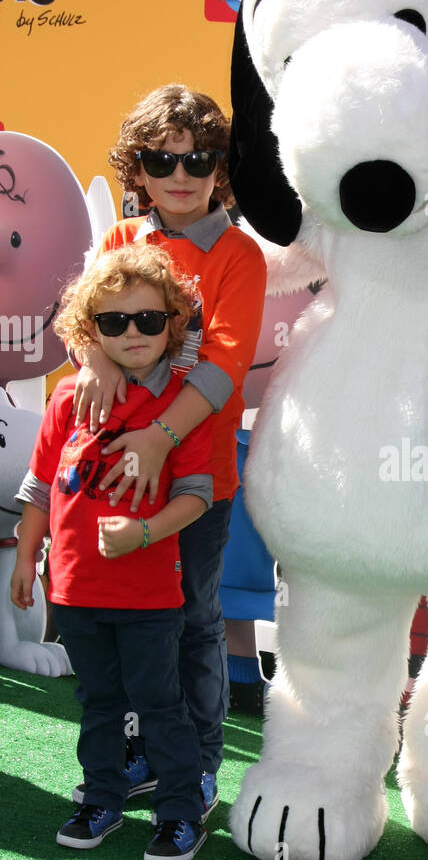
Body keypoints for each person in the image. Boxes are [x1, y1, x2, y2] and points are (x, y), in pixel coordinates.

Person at [68, 85, 267, 814]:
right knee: (125, 623)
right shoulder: (122, 242)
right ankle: (145, 748)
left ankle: (201, 761)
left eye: (199, 159)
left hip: (194, 476)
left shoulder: (240, 255)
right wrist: (91, 358)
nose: (180, 173)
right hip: (119, 475)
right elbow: (81, 320)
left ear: (221, 167)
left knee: (190, 618)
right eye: (162, 158)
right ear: (137, 169)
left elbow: (222, 369)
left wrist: (159, 436)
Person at [11, 245, 214, 860]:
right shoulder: (68, 395)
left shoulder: (181, 405)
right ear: (89, 329)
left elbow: (197, 495)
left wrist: (145, 535)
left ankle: (180, 812)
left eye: (148, 320)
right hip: (75, 593)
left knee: (159, 706)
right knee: (98, 705)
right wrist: (26, 558)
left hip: (149, 597)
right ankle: (102, 798)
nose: (132, 333)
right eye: (114, 321)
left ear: (172, 324)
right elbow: (41, 487)